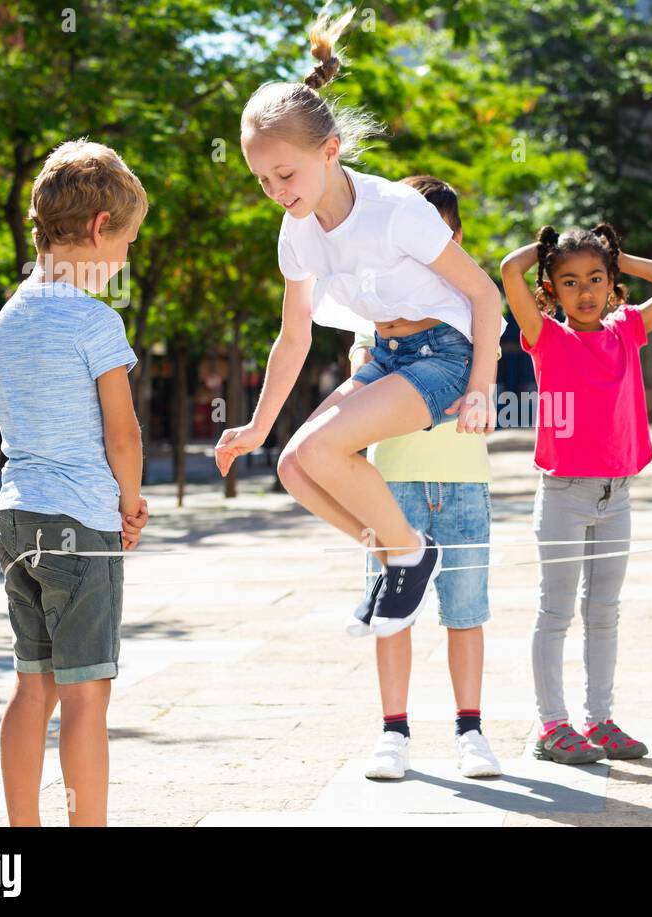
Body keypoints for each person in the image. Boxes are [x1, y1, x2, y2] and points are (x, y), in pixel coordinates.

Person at [214, 10, 503, 636]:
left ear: (330, 149)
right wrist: (257, 428)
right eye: (261, 179)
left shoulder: (395, 210)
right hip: (389, 356)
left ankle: (407, 554)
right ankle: (395, 555)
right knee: (294, 465)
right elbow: (293, 339)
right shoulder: (295, 234)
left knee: (324, 447)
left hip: (448, 354)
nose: (275, 190)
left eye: (285, 174)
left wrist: (482, 386)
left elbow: (484, 295)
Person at [0, 139, 152, 826]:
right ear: (97, 228)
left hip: (17, 523)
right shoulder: (96, 320)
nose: (124, 259)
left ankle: (22, 829)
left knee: (34, 687)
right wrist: (131, 503)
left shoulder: (8, 318)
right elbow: (124, 434)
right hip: (82, 525)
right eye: (126, 243)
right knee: (88, 697)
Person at [501, 222, 652, 765]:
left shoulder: (626, 329)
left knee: (605, 611)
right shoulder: (545, 337)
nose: (585, 293)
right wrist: (544, 250)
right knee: (556, 611)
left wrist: (618, 255)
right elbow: (509, 271)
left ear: (612, 283)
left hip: (618, 496)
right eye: (568, 282)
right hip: (564, 494)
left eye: (595, 279)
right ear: (551, 290)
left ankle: (600, 720)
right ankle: (552, 726)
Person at [348, 175, 502, 780]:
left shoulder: (474, 310)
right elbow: (366, 377)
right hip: (391, 485)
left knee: (467, 611)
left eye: (435, 237)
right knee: (394, 609)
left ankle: (471, 729)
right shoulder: (379, 318)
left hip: (465, 483)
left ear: (455, 239)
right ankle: (393, 732)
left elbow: (480, 381)